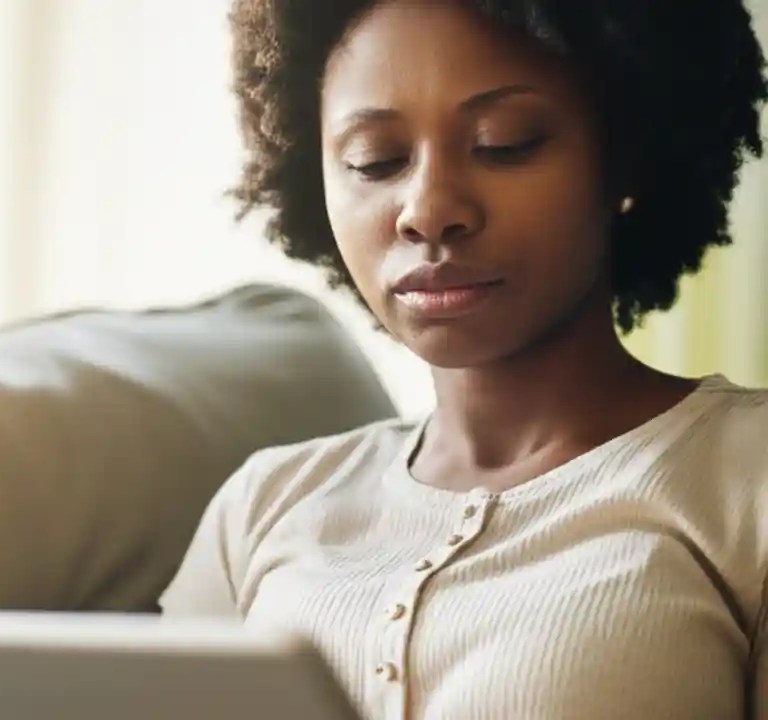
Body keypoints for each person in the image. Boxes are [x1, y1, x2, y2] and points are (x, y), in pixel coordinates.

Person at [159, 1, 768, 718]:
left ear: (628, 155)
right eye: (374, 161)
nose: (428, 209)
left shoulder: (745, 481)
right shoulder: (262, 508)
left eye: (504, 143)